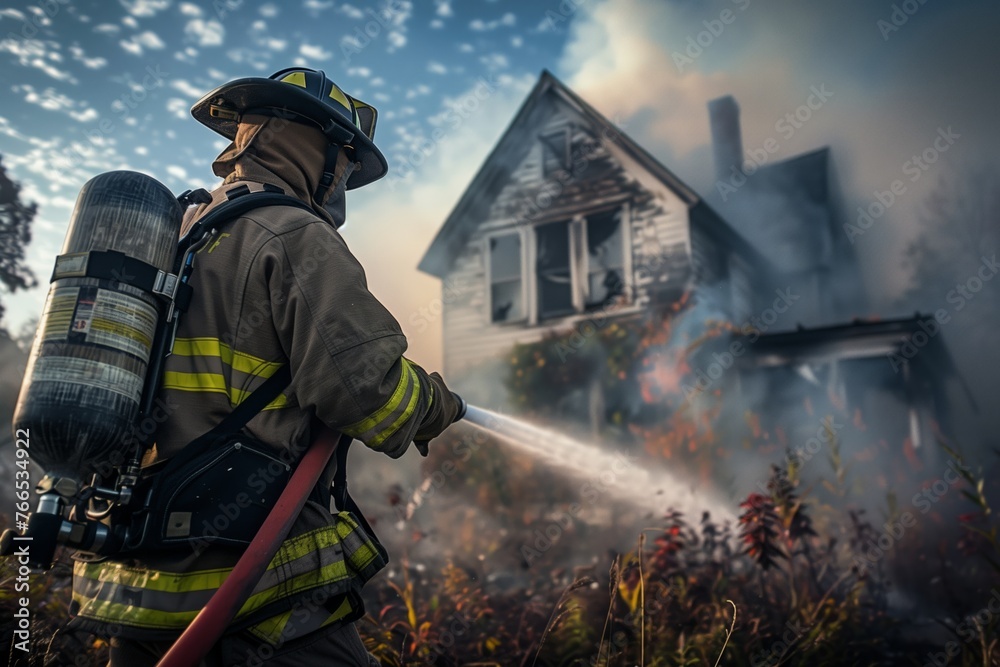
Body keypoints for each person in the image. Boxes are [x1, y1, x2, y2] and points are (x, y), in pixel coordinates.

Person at [67, 67, 464, 666]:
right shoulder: (293, 234)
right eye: (347, 162)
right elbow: (372, 394)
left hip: (137, 585)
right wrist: (439, 404)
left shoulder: (176, 230)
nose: (347, 180)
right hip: (252, 591)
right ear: (318, 150)